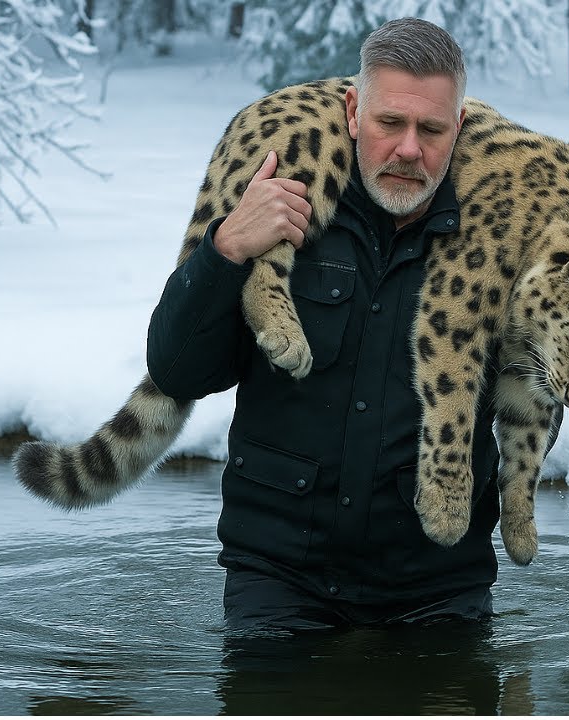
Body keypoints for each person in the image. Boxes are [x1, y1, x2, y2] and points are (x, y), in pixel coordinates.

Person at [146, 18, 502, 632]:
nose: (409, 149)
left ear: (459, 128)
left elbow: (535, 406)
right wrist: (224, 250)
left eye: (431, 129)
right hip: (280, 583)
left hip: (437, 589)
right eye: (390, 123)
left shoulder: (499, 239)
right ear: (352, 111)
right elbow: (177, 369)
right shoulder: (281, 207)